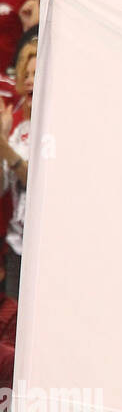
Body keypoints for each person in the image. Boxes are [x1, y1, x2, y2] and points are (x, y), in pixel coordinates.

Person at [1, 37, 36, 299]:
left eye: (36, 73)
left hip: (46, 250)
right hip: (16, 246)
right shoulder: (18, 126)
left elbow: (38, 182)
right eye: (26, 72)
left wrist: (5, 149)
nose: (28, 79)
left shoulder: (60, 125)